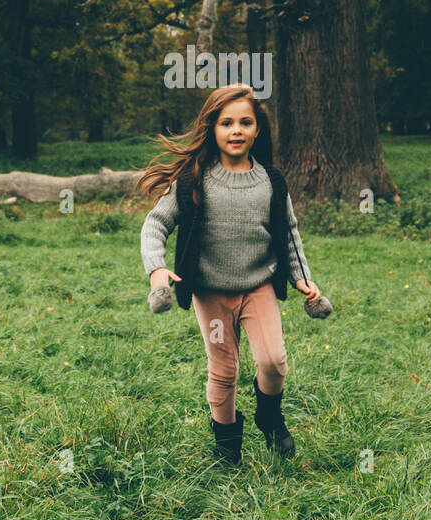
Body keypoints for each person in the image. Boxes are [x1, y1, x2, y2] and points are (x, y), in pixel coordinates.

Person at [137, 84, 328, 464]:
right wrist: (157, 270)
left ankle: (269, 417)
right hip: (211, 293)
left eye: (245, 122)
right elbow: (155, 225)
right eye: (226, 123)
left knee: (273, 361)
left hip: (258, 287)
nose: (236, 130)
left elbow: (288, 233)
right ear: (212, 129)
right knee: (224, 371)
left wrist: (301, 278)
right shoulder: (194, 179)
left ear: (258, 129)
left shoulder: (272, 182)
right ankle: (226, 440)